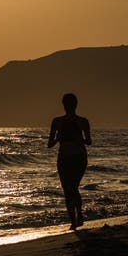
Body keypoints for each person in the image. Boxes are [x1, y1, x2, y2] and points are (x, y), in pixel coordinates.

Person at [48, 93, 92, 230]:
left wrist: (79, 140)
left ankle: (78, 216)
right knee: (68, 190)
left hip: (79, 158)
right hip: (64, 158)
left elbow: (89, 141)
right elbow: (49, 144)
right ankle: (74, 221)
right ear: (64, 105)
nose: (69, 107)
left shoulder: (83, 121)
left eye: (71, 104)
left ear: (75, 105)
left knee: (72, 188)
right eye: (67, 104)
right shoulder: (57, 121)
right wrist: (58, 138)